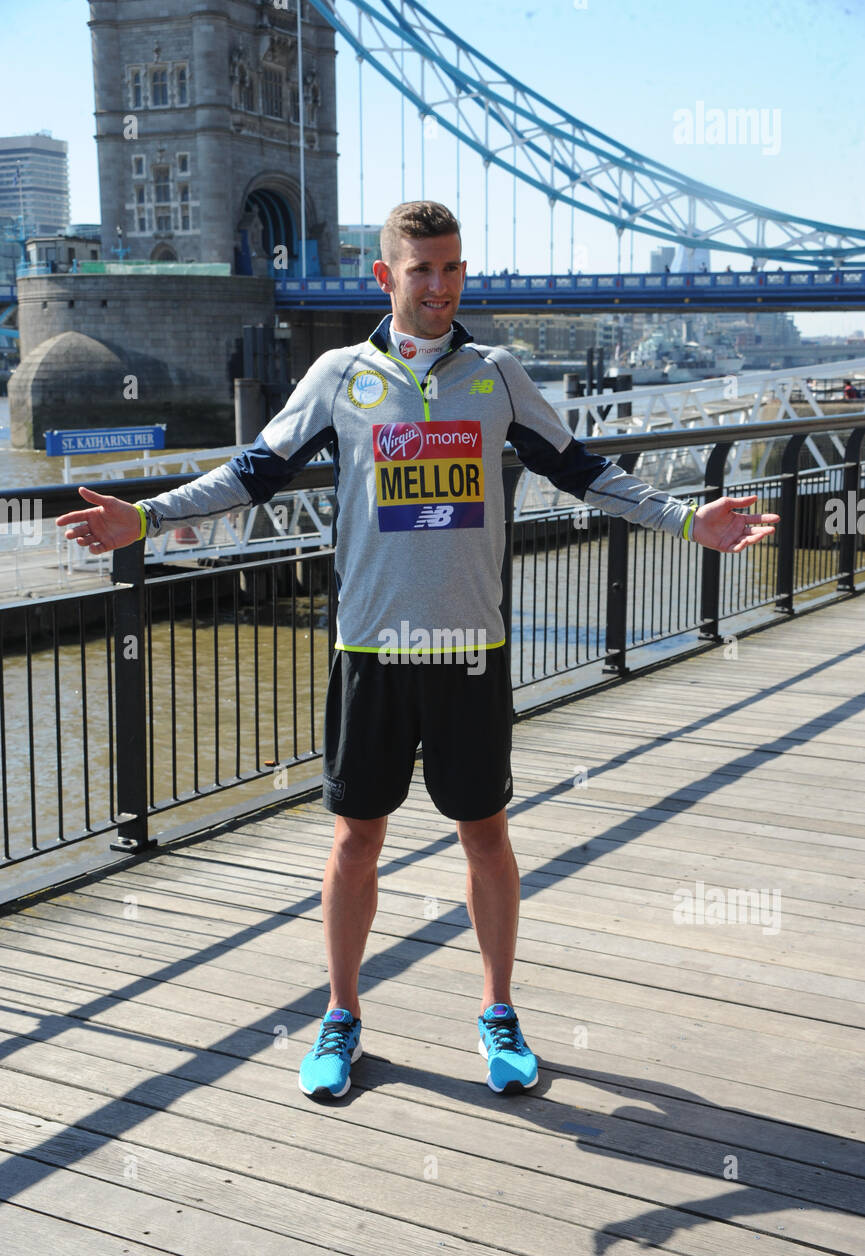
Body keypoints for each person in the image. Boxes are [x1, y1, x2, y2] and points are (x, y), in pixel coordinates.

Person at [57, 201, 780, 1102]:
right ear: (384, 277)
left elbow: (581, 470)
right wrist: (148, 514)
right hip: (370, 648)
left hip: (471, 649)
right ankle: (341, 1017)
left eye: (452, 270)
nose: (439, 288)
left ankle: (499, 1013)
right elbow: (255, 472)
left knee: (484, 834)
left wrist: (683, 518)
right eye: (421, 271)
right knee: (356, 836)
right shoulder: (337, 377)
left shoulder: (498, 375)